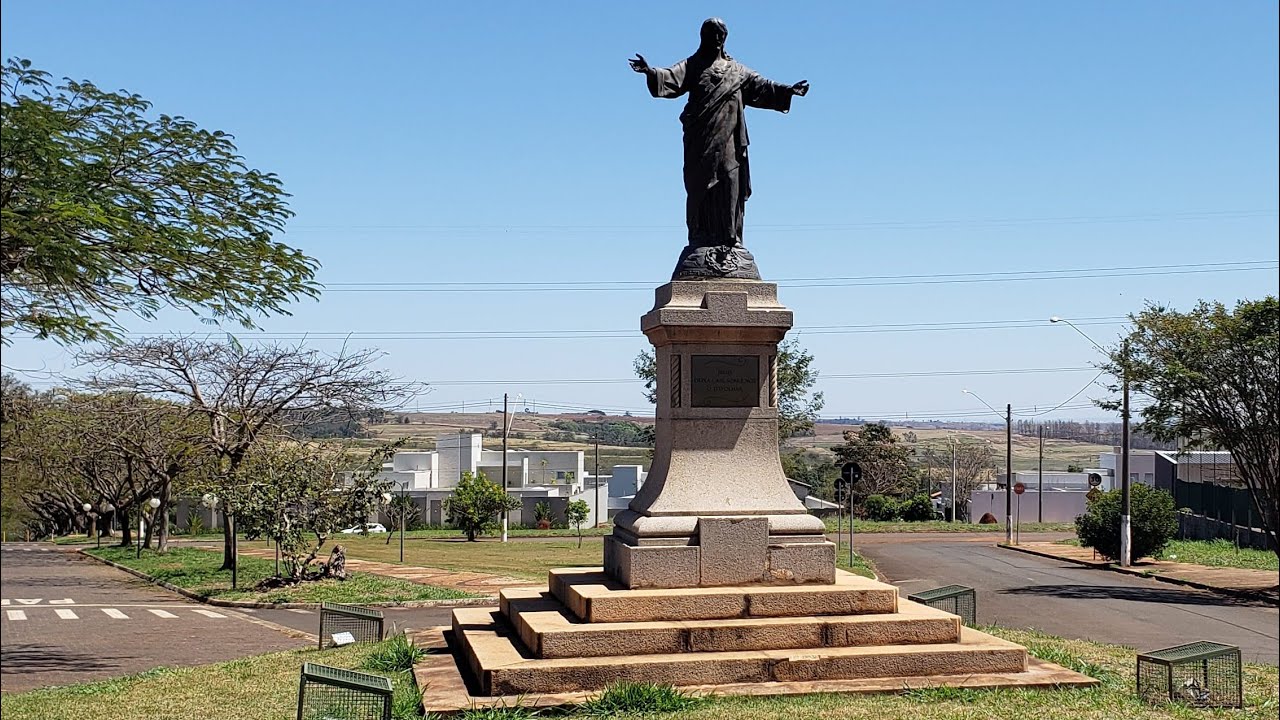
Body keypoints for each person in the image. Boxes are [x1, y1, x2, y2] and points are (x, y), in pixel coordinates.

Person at [630, 18, 809, 278]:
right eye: (710, 34)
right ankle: (700, 239)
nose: (715, 39)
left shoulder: (737, 71)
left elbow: (762, 87)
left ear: (724, 38)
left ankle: (731, 240)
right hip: (701, 142)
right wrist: (650, 72)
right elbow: (670, 78)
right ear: (702, 37)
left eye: (719, 34)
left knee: (729, 185)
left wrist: (787, 91)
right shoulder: (693, 65)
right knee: (700, 188)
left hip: (730, 143)